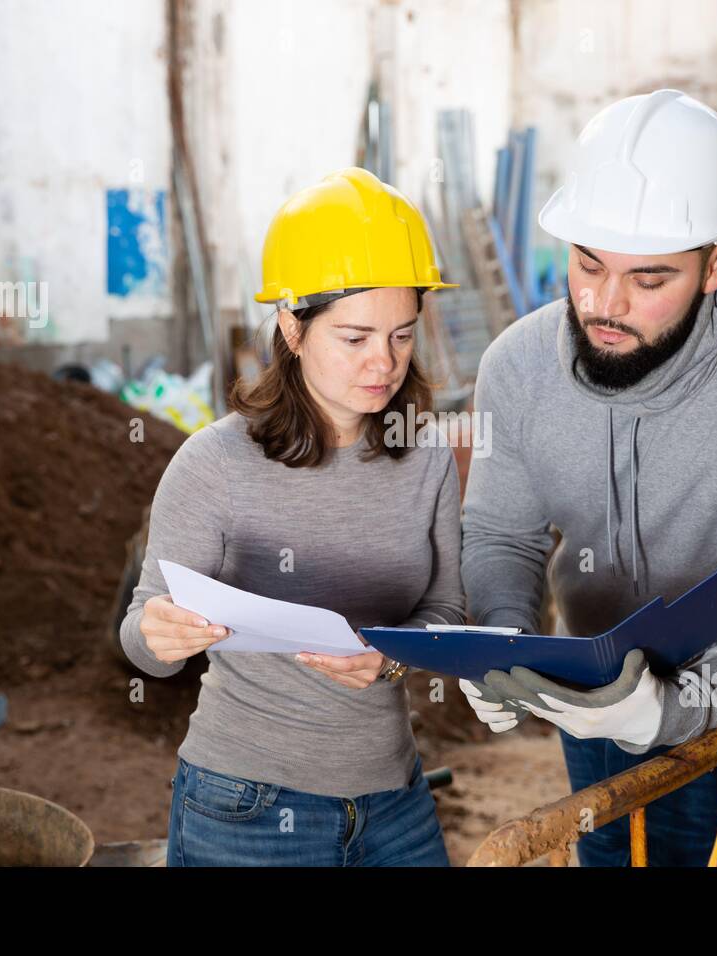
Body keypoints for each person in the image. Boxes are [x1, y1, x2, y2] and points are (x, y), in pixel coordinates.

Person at [458, 90, 717, 866]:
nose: (605, 304)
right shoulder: (516, 367)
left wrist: (667, 712)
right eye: (587, 264)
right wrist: (501, 640)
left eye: (649, 280)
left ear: (715, 263)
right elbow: (503, 532)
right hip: (590, 715)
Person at [120, 167, 464, 867]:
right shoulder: (213, 463)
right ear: (292, 326)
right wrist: (160, 635)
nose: (384, 362)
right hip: (244, 807)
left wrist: (395, 655)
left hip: (395, 802)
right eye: (356, 337)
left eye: (402, 335)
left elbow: (447, 609)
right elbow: (140, 640)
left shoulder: (423, 456)